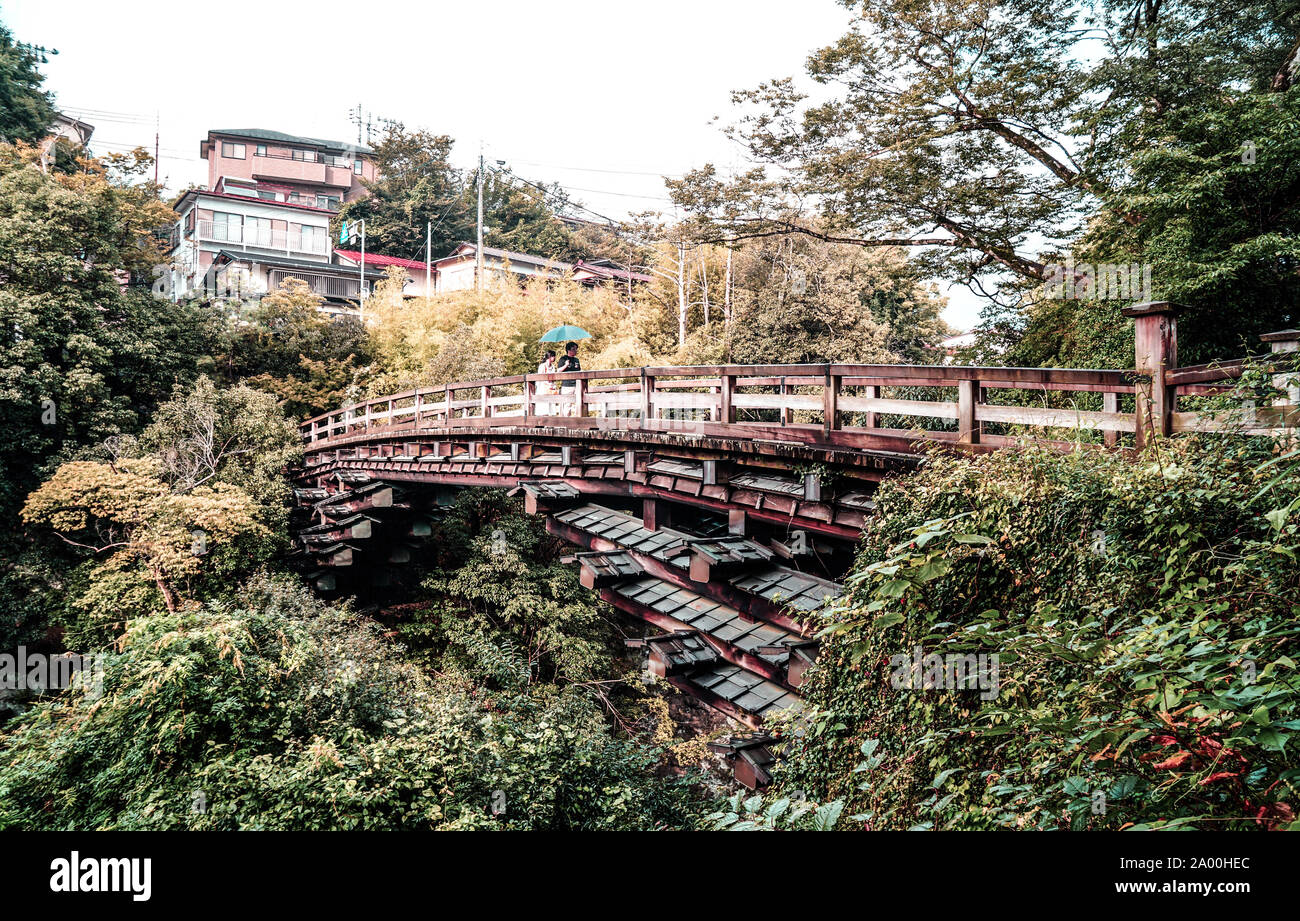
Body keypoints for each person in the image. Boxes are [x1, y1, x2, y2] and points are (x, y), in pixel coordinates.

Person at [556, 341, 581, 416]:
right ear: (568, 350)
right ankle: (566, 421)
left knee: (579, 402)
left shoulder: (576, 360)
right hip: (567, 385)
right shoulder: (563, 359)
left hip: (577, 384)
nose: (575, 351)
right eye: (573, 349)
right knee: (567, 404)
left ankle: (578, 420)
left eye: (576, 349)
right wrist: (566, 365)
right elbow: (558, 370)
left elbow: (579, 370)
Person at [536, 349, 557, 414]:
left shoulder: (553, 366)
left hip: (550, 387)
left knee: (551, 406)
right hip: (543, 388)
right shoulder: (542, 366)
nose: (554, 357)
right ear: (549, 357)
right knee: (543, 406)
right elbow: (539, 378)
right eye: (553, 356)